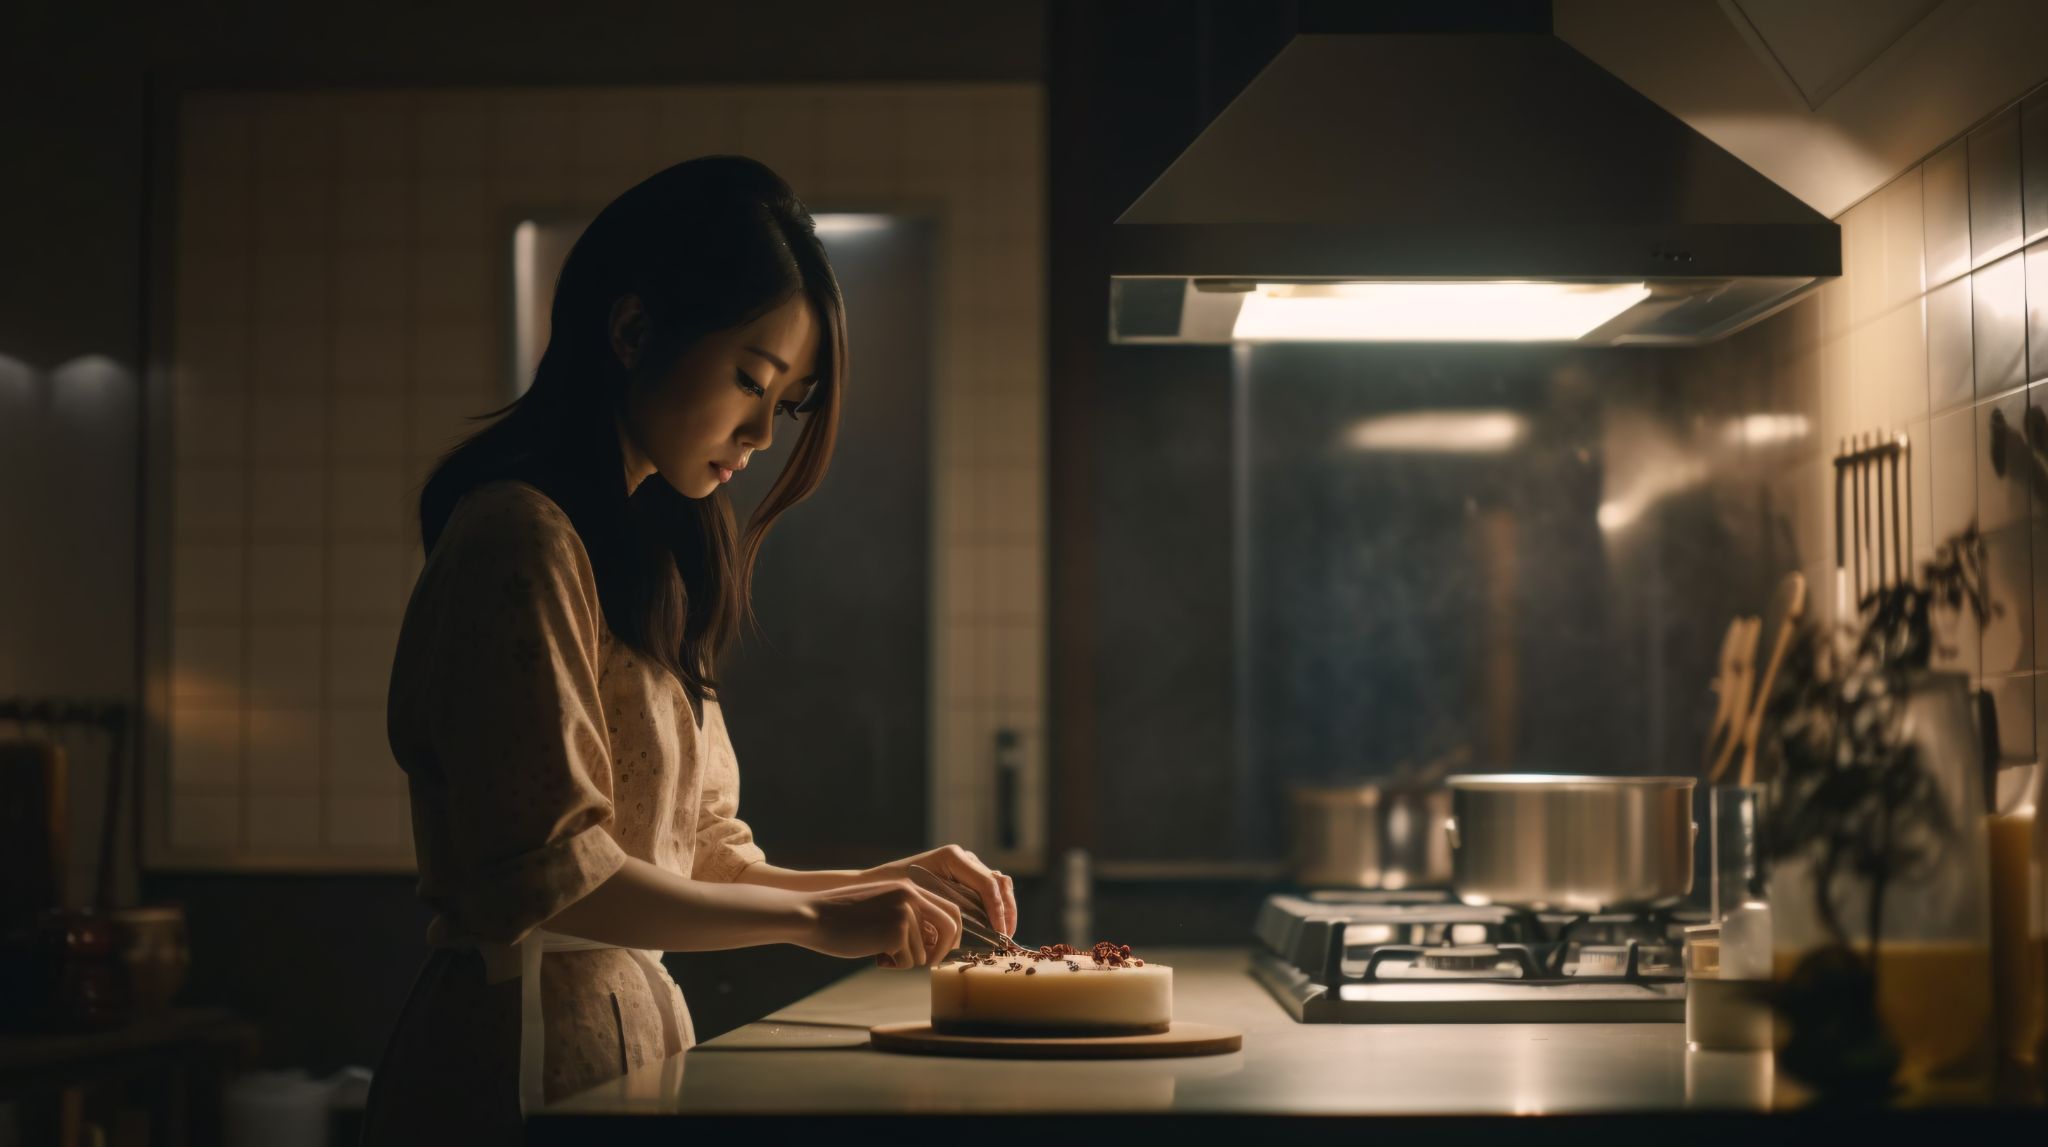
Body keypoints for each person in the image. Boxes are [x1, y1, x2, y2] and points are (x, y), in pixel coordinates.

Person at [360, 156, 1016, 1143]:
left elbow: (699, 857)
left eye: (785, 399)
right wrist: (813, 921)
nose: (760, 431)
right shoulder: (517, 534)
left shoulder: (642, 556)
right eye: (750, 380)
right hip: (514, 1055)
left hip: (617, 1048)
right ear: (632, 332)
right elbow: (557, 874)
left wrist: (878, 885)